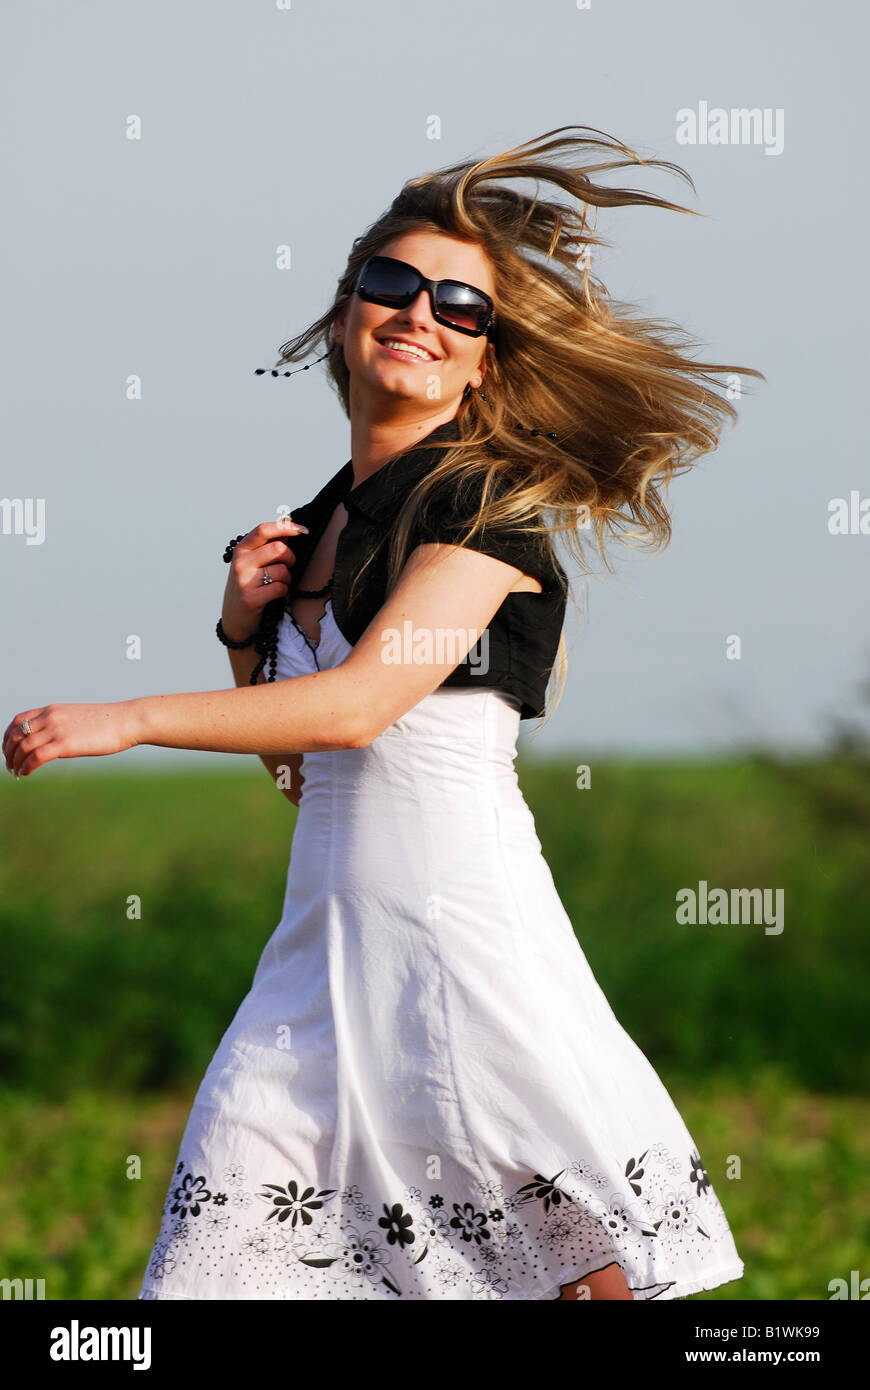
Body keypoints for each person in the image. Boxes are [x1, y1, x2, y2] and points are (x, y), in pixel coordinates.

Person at [3, 126, 762, 1301]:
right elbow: (303, 764)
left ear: (485, 361)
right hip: (320, 961)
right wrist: (244, 632)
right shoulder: (316, 528)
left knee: (574, 1278)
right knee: (208, 1280)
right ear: (347, 312)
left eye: (461, 306)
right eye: (393, 284)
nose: (421, 312)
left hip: (463, 943)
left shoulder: (484, 516)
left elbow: (361, 707)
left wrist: (133, 717)